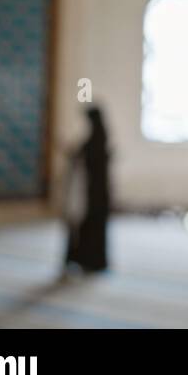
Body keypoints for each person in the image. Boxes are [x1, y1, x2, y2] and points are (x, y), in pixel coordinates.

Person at [63, 106, 111, 273]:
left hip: (92, 197)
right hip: (92, 196)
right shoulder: (97, 140)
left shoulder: (96, 141)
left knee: (91, 228)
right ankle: (85, 260)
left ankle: (90, 261)